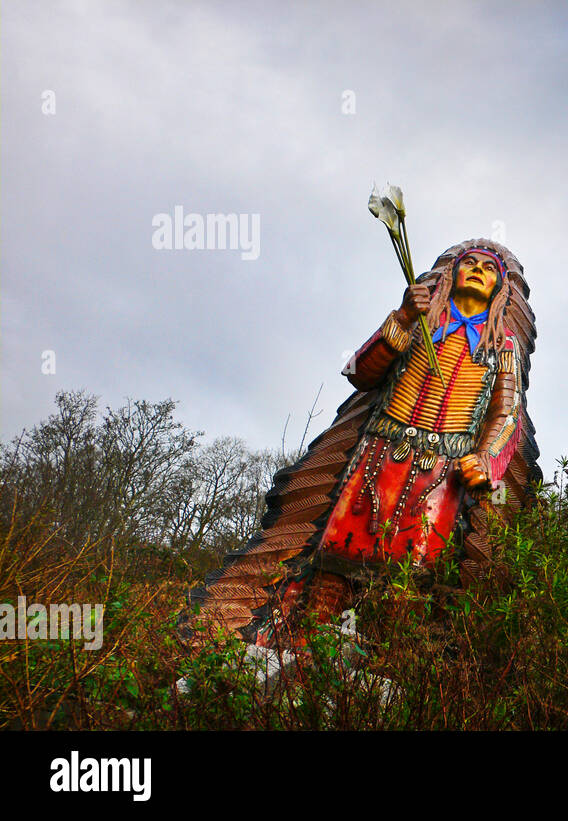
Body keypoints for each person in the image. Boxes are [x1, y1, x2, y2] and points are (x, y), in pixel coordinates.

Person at [185, 239, 539, 648]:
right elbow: (358, 371)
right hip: (377, 456)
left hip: (441, 474)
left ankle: (383, 669)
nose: (478, 270)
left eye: (489, 268)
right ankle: (301, 650)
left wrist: (486, 457)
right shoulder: (416, 322)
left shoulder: (502, 346)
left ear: (501, 289)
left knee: (409, 577)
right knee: (336, 560)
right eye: (469, 263)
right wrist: (404, 318)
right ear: (450, 273)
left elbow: (506, 413)